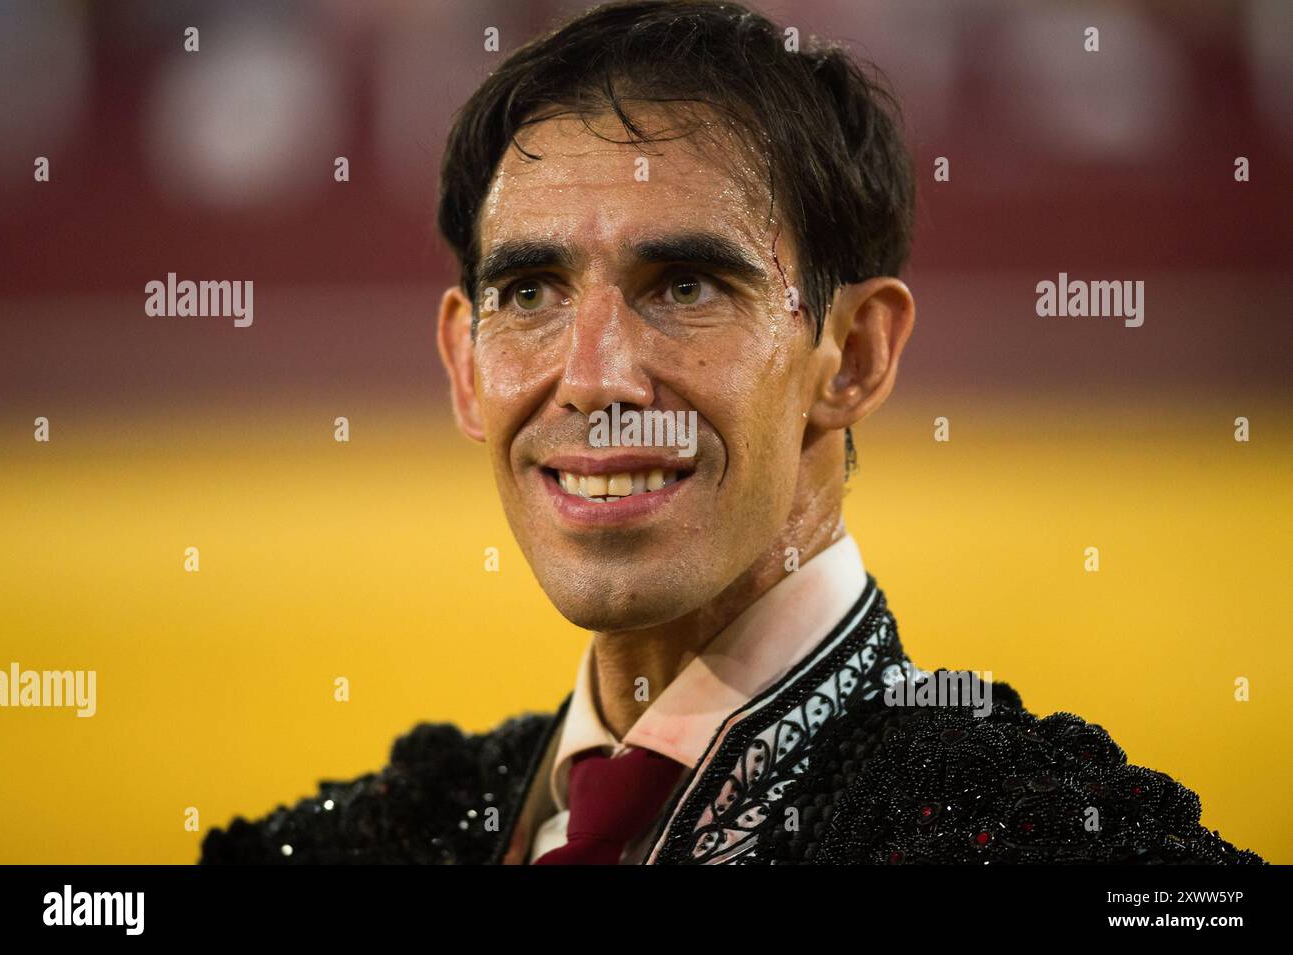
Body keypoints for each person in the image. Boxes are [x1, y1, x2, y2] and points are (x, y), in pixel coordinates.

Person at [200, 0, 1263, 865]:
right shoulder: (385, 838)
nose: (595, 376)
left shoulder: (1063, 847)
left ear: (851, 356)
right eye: (528, 292)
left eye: (687, 283)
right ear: (465, 365)